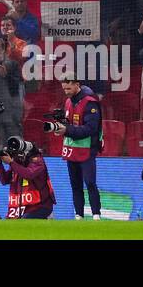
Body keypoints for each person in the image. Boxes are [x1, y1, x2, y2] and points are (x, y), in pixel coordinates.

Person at [50, 76, 103, 220]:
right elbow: (69, 124)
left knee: (90, 183)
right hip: (72, 148)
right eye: (64, 89)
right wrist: (60, 128)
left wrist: (66, 130)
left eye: (68, 88)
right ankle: (78, 215)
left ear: (77, 85)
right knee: (75, 184)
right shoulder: (68, 102)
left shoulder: (90, 103)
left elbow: (90, 129)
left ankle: (96, 214)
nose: (66, 92)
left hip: (87, 149)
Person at [0, 136, 56, 220]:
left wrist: (11, 162)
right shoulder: (17, 162)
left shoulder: (38, 160)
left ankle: (47, 217)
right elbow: (5, 180)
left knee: (25, 220)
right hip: (22, 208)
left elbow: (29, 174)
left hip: (40, 206)